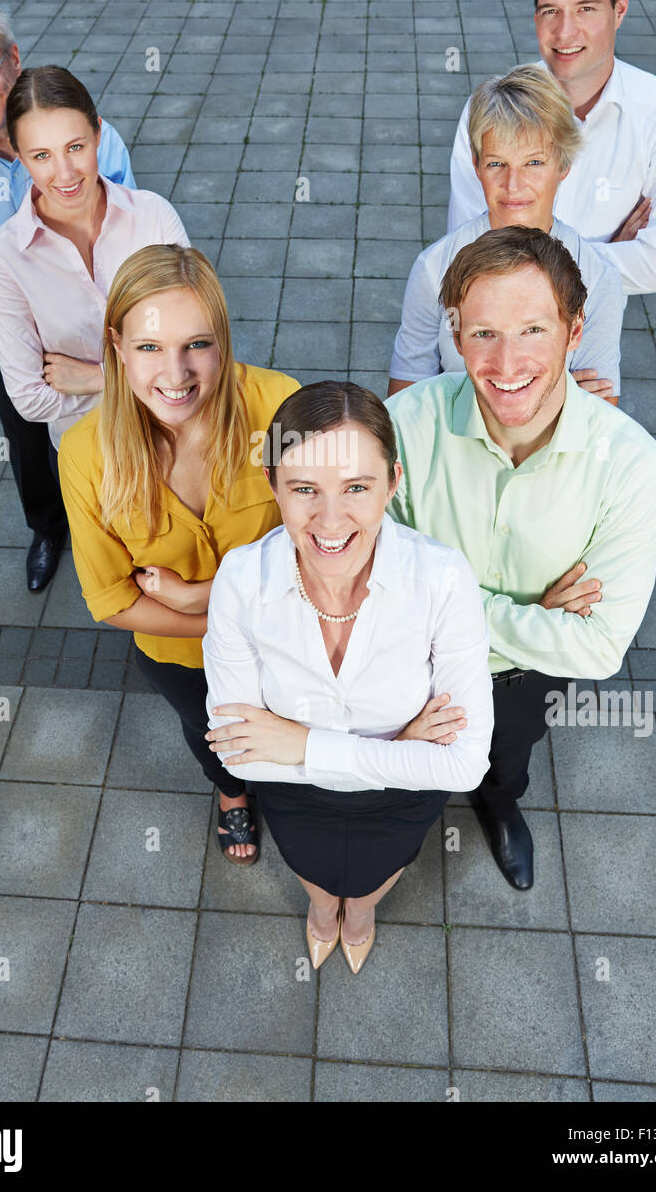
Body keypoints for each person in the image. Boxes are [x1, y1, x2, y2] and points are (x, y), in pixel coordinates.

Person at [386, 227, 656, 891]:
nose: (506, 361)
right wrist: (534, 614)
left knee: (506, 758)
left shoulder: (629, 464)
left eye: (533, 330)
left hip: (523, 679)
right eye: (483, 333)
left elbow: (598, 651)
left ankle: (498, 801)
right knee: (402, 764)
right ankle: (406, 820)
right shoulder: (401, 423)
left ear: (574, 333)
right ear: (456, 338)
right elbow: (367, 572)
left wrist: (452, 604)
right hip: (411, 662)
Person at [202, 382, 494, 973]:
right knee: (311, 869)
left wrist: (302, 744)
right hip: (315, 793)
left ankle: (359, 915)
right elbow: (239, 758)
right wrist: (404, 745)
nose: (329, 520)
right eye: (304, 489)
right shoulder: (241, 579)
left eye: (356, 488)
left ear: (393, 482)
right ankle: (320, 912)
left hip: (394, 801)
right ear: (273, 488)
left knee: (376, 873)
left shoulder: (441, 579)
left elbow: (466, 764)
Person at [57, 245, 299, 865]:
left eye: (197, 344)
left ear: (222, 339)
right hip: (179, 655)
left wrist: (200, 595)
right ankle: (231, 792)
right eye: (149, 348)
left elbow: (330, 537)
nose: (176, 373)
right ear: (115, 346)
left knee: (293, 722)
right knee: (211, 731)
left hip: (290, 634)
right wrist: (215, 618)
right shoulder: (85, 455)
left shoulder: (278, 407)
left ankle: (290, 793)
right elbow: (113, 603)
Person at [0, 0, 135, 591]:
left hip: (106, 314)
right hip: (13, 335)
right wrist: (31, 304)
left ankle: (129, 523)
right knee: (27, 438)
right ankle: (48, 528)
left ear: (13, 60)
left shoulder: (93, 137)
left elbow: (128, 243)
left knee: (128, 413)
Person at [447, 0, 656, 297]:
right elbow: (468, 252)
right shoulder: (489, 108)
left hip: (595, 337)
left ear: (619, 9)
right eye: (551, 10)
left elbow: (654, 267)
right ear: (535, 17)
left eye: (585, 8)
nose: (565, 32)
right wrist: (607, 254)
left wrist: (522, 253)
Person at [0, 66, 188, 456]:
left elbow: (200, 347)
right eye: (41, 155)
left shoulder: (154, 215)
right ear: (19, 156)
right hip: (89, 456)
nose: (65, 173)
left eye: (75, 147)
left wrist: (97, 378)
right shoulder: (4, 256)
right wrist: (158, 375)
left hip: (179, 440)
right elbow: (29, 399)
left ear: (98, 134)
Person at [391, 64, 624, 405]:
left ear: (563, 164)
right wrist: (563, 398)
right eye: (497, 164)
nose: (513, 186)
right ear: (476, 165)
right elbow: (404, 406)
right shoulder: (434, 268)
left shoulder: (599, 278)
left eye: (533, 163)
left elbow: (602, 414)